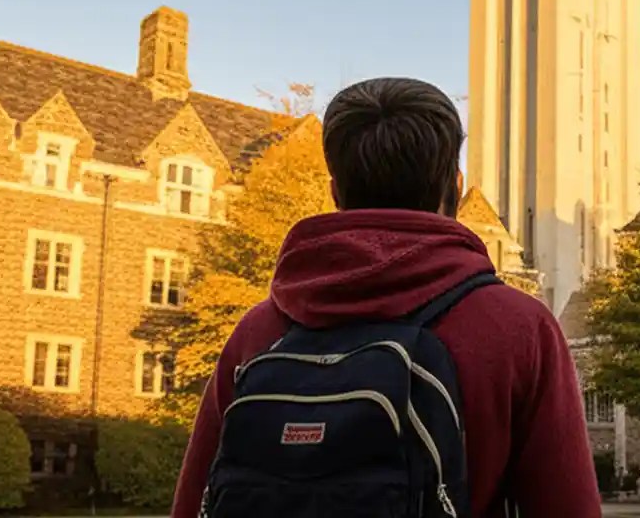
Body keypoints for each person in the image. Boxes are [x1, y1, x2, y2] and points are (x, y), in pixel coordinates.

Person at [171, 77, 601, 517]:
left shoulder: (259, 330)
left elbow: (192, 505)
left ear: (335, 190)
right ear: (454, 186)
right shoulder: (519, 328)